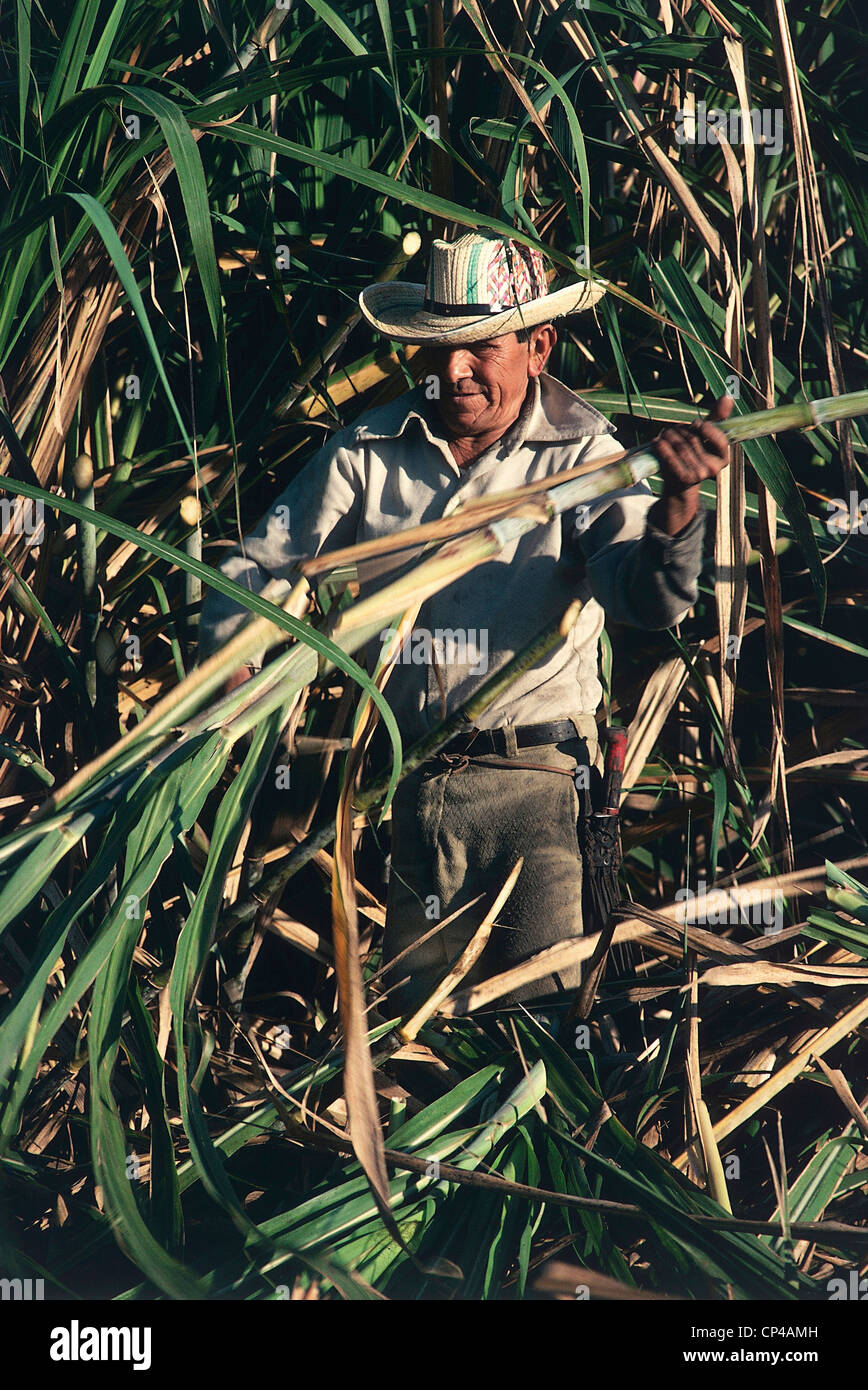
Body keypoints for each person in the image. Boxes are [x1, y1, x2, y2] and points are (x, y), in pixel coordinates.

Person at [198, 231, 731, 1013]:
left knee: (542, 1022)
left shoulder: (586, 459)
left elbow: (648, 602)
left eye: (482, 347)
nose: (454, 370)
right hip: (417, 791)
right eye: (438, 348)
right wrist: (232, 661)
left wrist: (679, 505)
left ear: (538, 346)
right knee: (422, 1031)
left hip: (541, 789)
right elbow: (259, 568)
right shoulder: (369, 453)